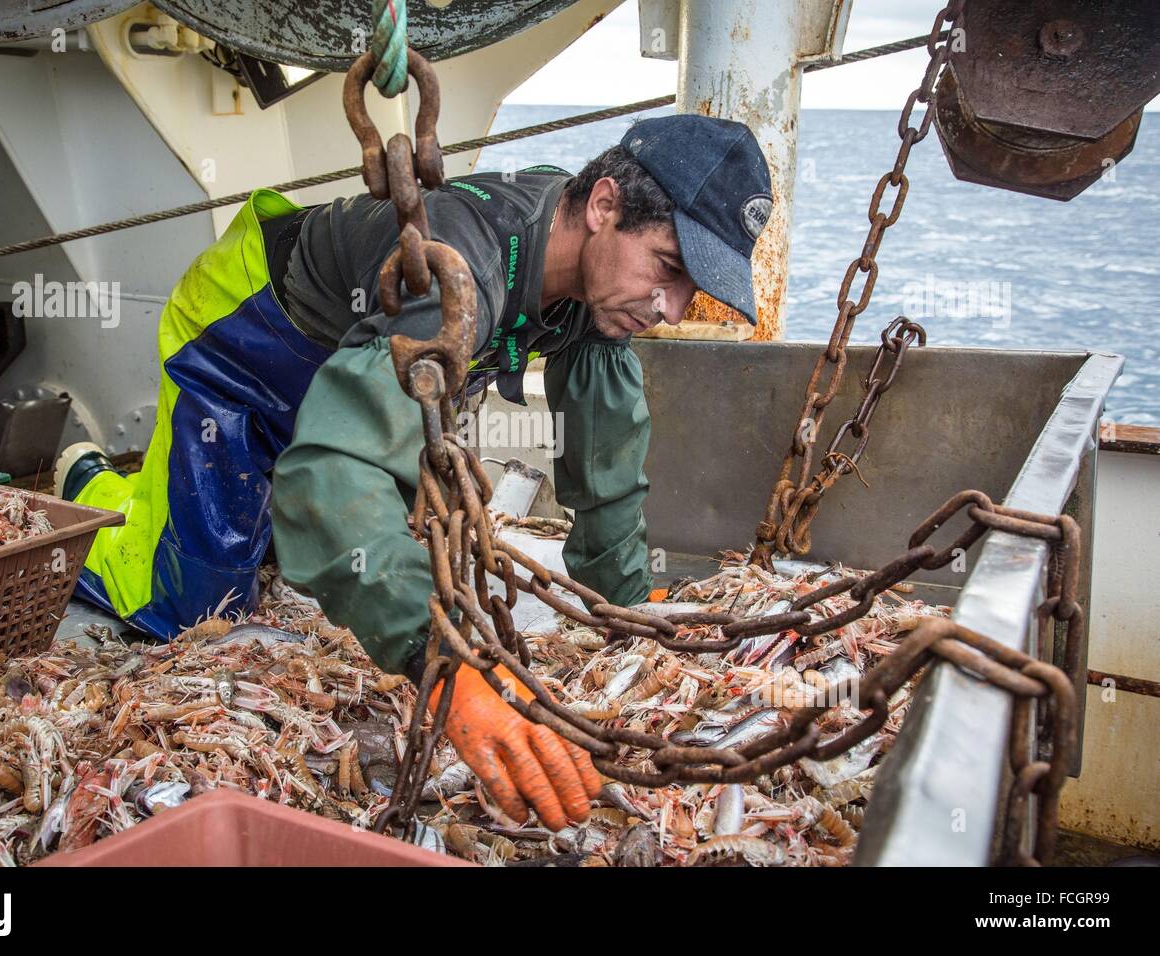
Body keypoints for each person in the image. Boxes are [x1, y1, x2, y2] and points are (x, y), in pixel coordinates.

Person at [54, 113, 773, 831]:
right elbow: (330, 477)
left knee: (320, 559)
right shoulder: (458, 266)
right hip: (244, 341)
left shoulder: (593, 295)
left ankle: (194, 499)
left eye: (689, 289)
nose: (669, 308)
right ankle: (91, 488)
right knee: (192, 608)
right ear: (604, 205)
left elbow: (606, 455)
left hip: (353, 369)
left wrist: (624, 618)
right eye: (669, 269)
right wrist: (452, 680)